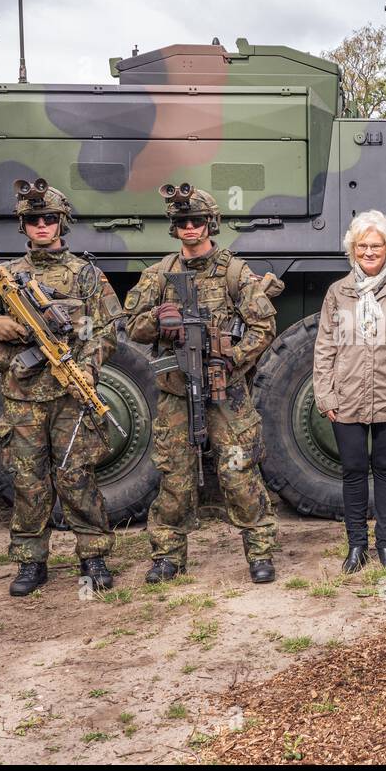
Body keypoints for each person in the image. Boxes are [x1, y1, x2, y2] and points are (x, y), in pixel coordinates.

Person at [0, 178, 123, 596]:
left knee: (77, 476)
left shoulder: (86, 274)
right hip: (22, 396)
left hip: (70, 394)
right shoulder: (5, 275)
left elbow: (107, 329)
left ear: (61, 222)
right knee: (28, 479)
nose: (41, 225)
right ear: (24, 225)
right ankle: (31, 561)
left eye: (48, 218)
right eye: (33, 219)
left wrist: (87, 367)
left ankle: (93, 555)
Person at [123, 184, 284, 584]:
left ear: (210, 223)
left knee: (238, 470)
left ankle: (260, 552)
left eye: (196, 221)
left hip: (225, 391)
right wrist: (160, 321)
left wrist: (230, 360)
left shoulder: (234, 272)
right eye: (181, 222)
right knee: (174, 474)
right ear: (174, 228)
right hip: (176, 393)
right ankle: (167, 556)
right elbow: (129, 326)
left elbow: (264, 325)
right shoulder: (159, 275)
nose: (189, 228)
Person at [313, 210, 386, 573]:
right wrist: (326, 395)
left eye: (376, 245)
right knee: (353, 470)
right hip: (347, 397)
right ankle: (356, 545)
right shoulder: (338, 293)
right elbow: (324, 347)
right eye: (362, 245)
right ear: (352, 249)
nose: (369, 252)